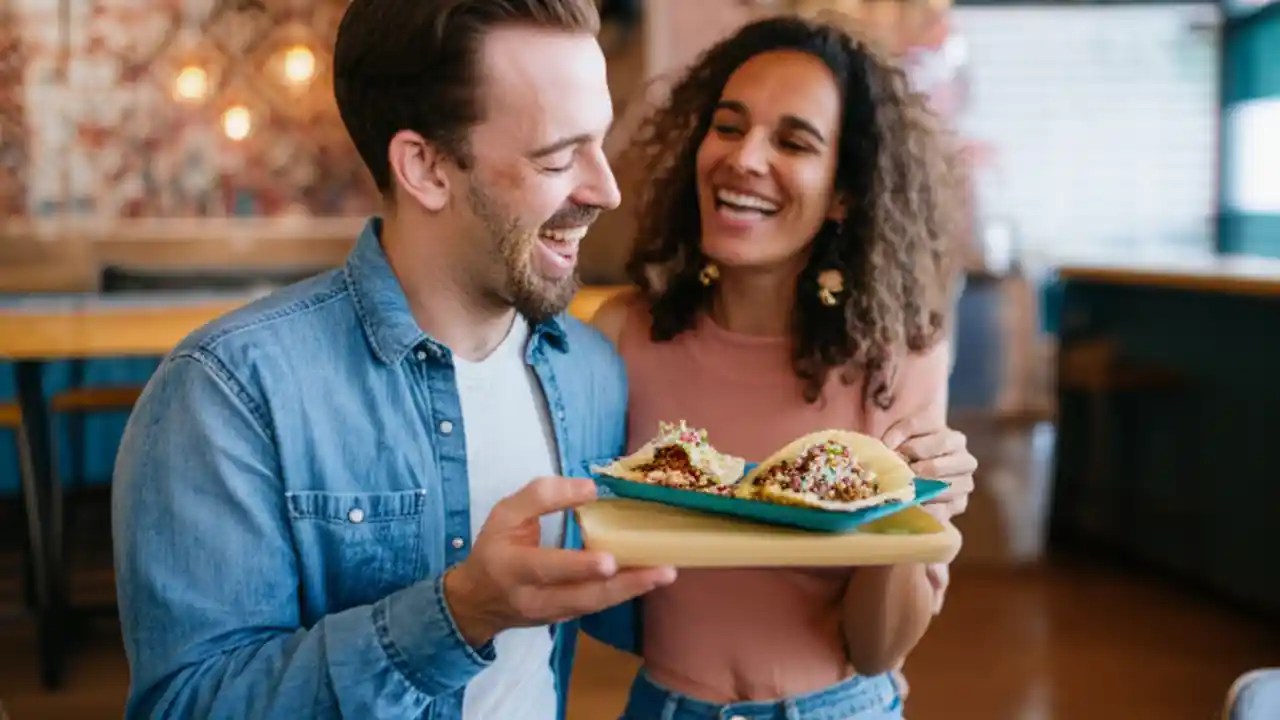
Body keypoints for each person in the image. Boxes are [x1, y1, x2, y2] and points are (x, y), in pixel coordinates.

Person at [110, 2, 675, 718]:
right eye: (559, 157)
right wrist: (456, 615)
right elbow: (185, 706)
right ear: (426, 167)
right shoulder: (231, 392)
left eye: (598, 142)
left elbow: (630, 615)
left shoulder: (590, 370)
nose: (605, 189)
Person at [591, 14, 978, 719]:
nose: (744, 158)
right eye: (729, 127)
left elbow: (879, 649)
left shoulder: (899, 361)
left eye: (793, 141)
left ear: (843, 193)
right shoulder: (622, 334)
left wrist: (909, 514)